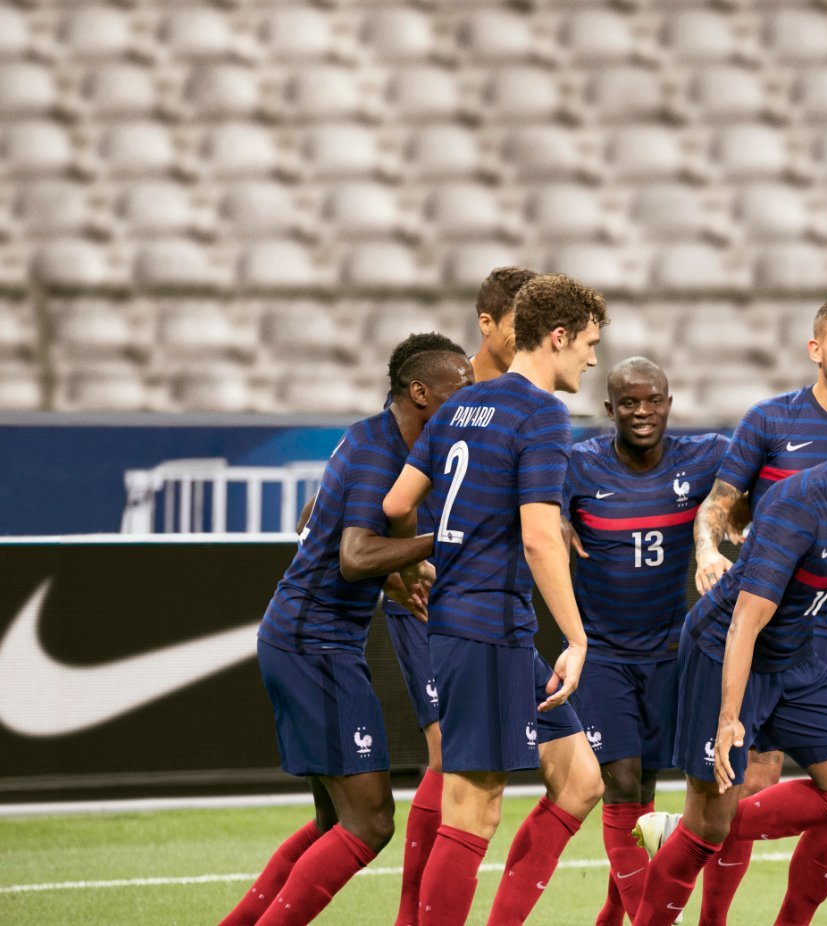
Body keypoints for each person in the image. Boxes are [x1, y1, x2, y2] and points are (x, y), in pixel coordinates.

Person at [632, 403, 827, 926]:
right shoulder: (796, 507)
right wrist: (730, 716)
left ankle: (691, 828)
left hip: (794, 658)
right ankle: (692, 837)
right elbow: (743, 624)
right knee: (707, 829)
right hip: (723, 653)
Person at [220, 334, 473, 926]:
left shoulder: (368, 436)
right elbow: (355, 556)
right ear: (420, 393)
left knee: (334, 825)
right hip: (316, 648)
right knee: (371, 822)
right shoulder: (382, 454)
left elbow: (313, 518)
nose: (469, 400)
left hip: (300, 639)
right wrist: (440, 541)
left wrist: (399, 569)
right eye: (459, 389)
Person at [382, 273, 608, 926]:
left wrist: (415, 573)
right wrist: (576, 637)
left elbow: (398, 503)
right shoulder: (541, 414)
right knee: (473, 809)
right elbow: (540, 538)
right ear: (558, 337)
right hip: (483, 631)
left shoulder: (460, 405)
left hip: (480, 626)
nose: (592, 360)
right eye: (589, 344)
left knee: (580, 781)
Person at [673, 295, 827, 922]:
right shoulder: (770, 419)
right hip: (767, 623)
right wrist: (708, 550)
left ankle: (713, 845)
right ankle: (706, 881)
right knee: (749, 781)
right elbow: (718, 505)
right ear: (816, 349)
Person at [385, 265, 534, 925]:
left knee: (576, 776)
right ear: (487, 323)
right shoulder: (448, 389)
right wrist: (404, 569)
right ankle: (411, 916)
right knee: (455, 764)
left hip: (497, 613)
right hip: (443, 608)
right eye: (521, 325)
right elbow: (369, 490)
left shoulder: (525, 396)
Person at [560, 357, 730, 926]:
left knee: (648, 794)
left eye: (652, 400)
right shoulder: (577, 466)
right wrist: (554, 516)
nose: (642, 412)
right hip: (603, 654)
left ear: (669, 403)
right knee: (622, 782)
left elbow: (758, 475)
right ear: (609, 410)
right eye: (628, 402)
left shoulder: (704, 456)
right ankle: (651, 916)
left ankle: (617, 918)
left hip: (672, 653)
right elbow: (531, 510)